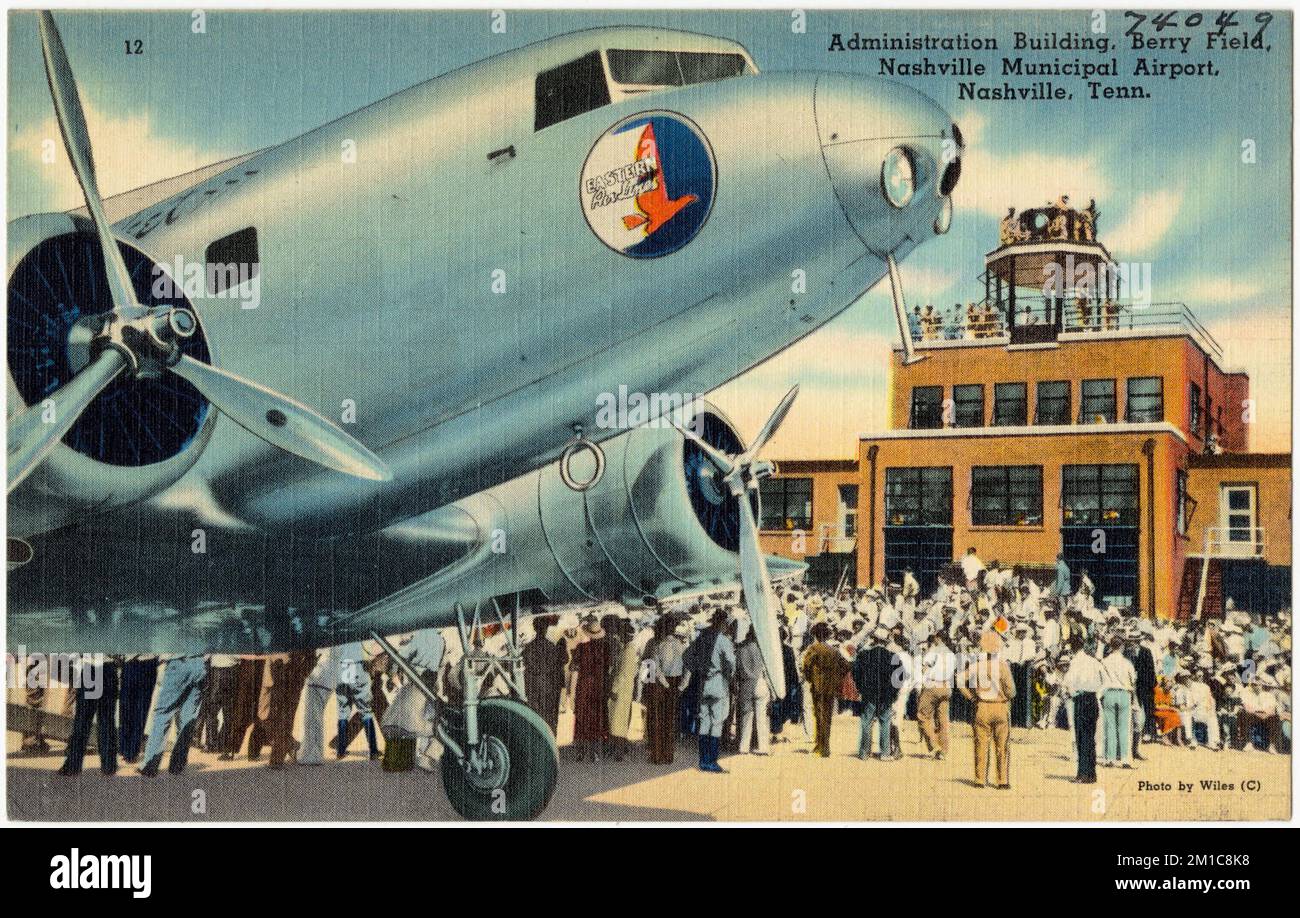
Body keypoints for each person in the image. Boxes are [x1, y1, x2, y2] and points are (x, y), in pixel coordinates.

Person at [957, 630, 1015, 788]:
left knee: (980, 744)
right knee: (1002, 746)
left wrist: (970, 696)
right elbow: (1012, 691)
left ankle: (979, 779)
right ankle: (1002, 780)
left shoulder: (977, 665)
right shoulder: (1003, 667)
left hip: (981, 707)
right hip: (1000, 706)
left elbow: (959, 680)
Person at [139, 654, 207, 776]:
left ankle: (150, 765)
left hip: (179, 663)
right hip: (199, 664)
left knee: (163, 714)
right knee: (188, 718)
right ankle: (177, 765)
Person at [686, 610, 736, 772]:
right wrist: (728, 677)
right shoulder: (723, 640)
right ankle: (712, 762)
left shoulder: (701, 638)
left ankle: (703, 761)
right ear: (724, 623)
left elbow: (686, 656)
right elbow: (731, 663)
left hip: (703, 683)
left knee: (704, 721)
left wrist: (698, 670)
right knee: (717, 722)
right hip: (718, 683)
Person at [59, 656, 120, 777]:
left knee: (82, 719)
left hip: (90, 669)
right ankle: (109, 765)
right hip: (108, 669)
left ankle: (73, 764)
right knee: (106, 720)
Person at [801, 622, 848, 757]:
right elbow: (845, 666)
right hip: (830, 687)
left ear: (816, 635)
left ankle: (821, 747)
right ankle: (825, 746)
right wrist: (836, 678)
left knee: (819, 716)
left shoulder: (813, 648)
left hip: (818, 686)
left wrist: (811, 678)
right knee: (827, 717)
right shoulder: (834, 650)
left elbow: (806, 667)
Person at [642, 616, 685, 764]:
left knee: (658, 720)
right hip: (676, 682)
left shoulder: (657, 646)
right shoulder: (681, 645)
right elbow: (688, 668)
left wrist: (665, 684)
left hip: (662, 684)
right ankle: (668, 755)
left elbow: (654, 667)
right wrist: (681, 686)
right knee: (670, 721)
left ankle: (657, 755)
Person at [570, 613, 611, 762]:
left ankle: (580, 752)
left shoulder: (581, 648)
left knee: (581, 718)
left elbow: (574, 671)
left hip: (584, 687)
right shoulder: (606, 648)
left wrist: (572, 693)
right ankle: (595, 753)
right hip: (599, 687)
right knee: (596, 719)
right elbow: (609, 671)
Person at [1063, 642, 1105, 783]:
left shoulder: (1075, 662)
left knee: (1082, 738)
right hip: (1092, 698)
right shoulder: (1094, 661)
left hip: (1080, 699)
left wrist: (1072, 693)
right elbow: (1104, 680)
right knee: (1090, 738)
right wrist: (1098, 694)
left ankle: (1082, 774)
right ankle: (1091, 774)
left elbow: (1068, 682)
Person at [522, 614, 569, 736]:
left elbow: (526, 669)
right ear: (546, 629)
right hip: (550, 690)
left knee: (535, 718)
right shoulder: (552, 648)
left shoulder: (528, 648)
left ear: (534, 628)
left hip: (533, 690)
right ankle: (551, 742)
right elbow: (558, 669)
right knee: (550, 719)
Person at [335, 642, 381, 761]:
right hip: (357, 667)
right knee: (365, 711)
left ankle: (340, 750)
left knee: (342, 712)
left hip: (341, 669)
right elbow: (371, 654)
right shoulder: (360, 634)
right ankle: (373, 750)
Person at [1099, 635, 1137, 768]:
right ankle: (1125, 759)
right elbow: (1133, 680)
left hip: (1109, 693)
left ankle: (1110, 758)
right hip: (1124, 694)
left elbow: (1101, 680)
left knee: (1110, 727)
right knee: (1124, 727)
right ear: (1122, 646)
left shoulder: (1104, 661)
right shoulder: (1127, 663)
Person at [916, 633, 955, 759]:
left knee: (923, 716)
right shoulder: (952, 654)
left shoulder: (935, 650)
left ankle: (933, 746)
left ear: (939, 638)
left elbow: (924, 666)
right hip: (946, 687)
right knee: (943, 721)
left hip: (933, 685)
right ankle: (944, 750)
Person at [734, 621, 771, 755]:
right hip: (760, 682)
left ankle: (743, 746)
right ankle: (763, 746)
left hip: (746, 683)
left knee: (746, 717)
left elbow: (736, 670)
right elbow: (767, 670)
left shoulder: (740, 649)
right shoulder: (763, 649)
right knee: (762, 717)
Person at [117, 655, 159, 764]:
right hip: (130, 663)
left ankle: (132, 751)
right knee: (125, 709)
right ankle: (124, 747)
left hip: (147, 664)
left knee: (141, 711)